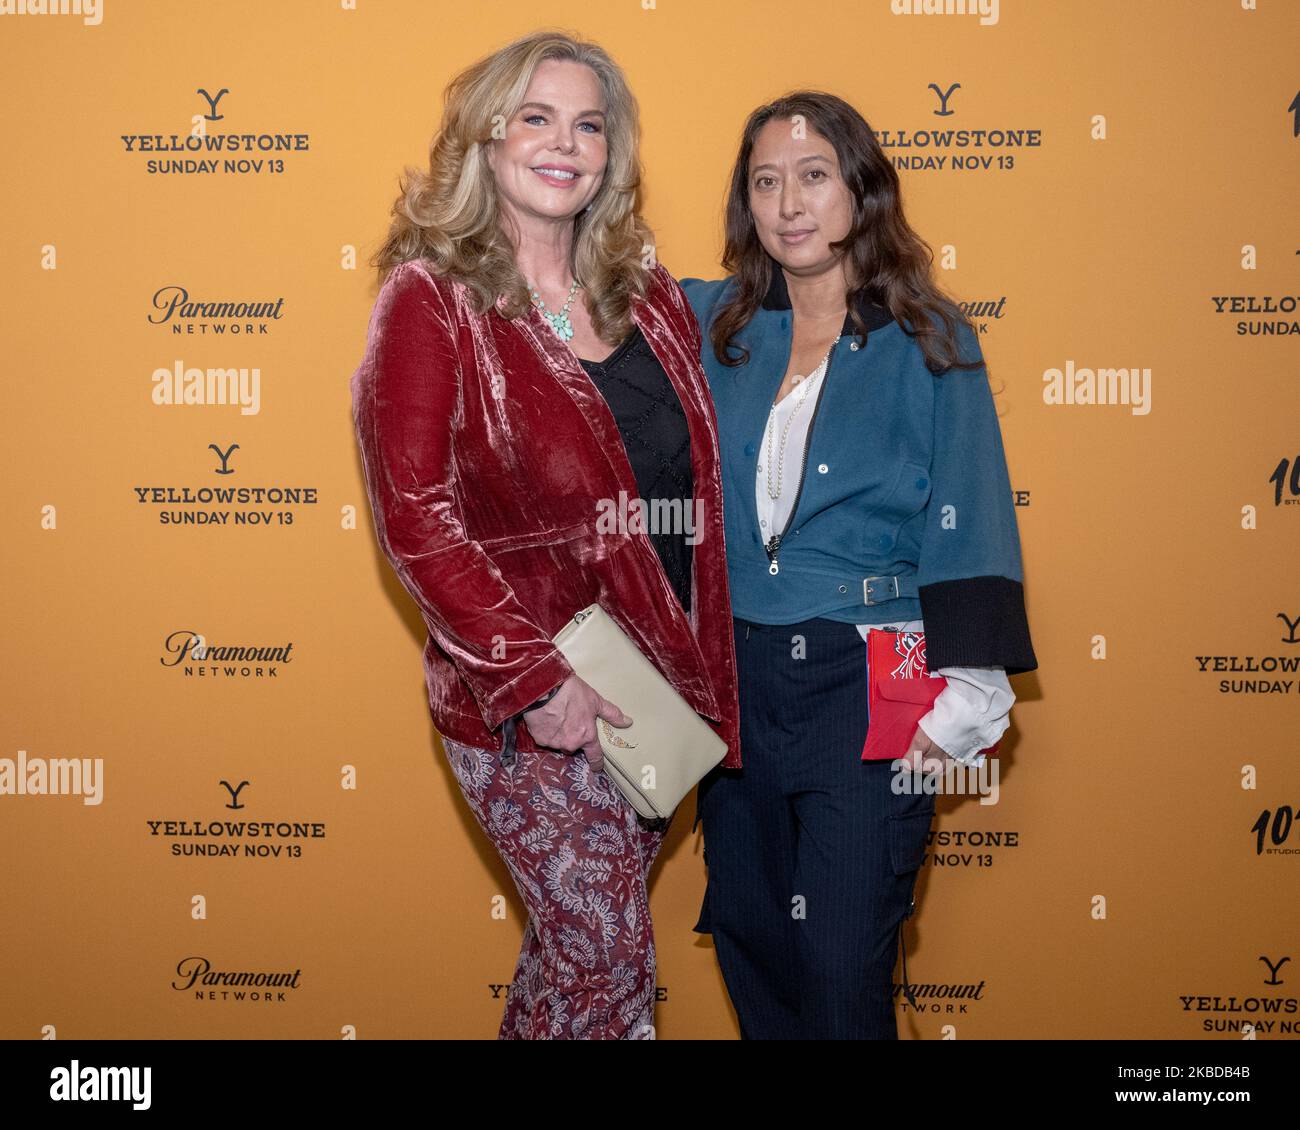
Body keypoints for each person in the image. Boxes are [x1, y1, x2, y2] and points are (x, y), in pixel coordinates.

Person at [349, 30, 739, 1040]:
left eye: (588, 125)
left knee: (575, 969)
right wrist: (536, 682)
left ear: (612, 153)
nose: (565, 143)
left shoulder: (645, 295)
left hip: (658, 705)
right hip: (534, 708)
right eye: (536, 117)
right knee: (606, 963)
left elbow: (690, 484)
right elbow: (415, 515)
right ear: (483, 138)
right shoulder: (432, 299)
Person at [681, 90, 1038, 1039]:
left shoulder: (931, 338)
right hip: (735, 687)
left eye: (813, 176)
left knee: (843, 983)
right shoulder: (708, 326)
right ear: (745, 204)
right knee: (759, 959)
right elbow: (567, 309)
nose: (789, 203)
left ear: (861, 192)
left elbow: (972, 511)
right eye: (766, 182)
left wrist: (966, 704)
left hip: (869, 688)